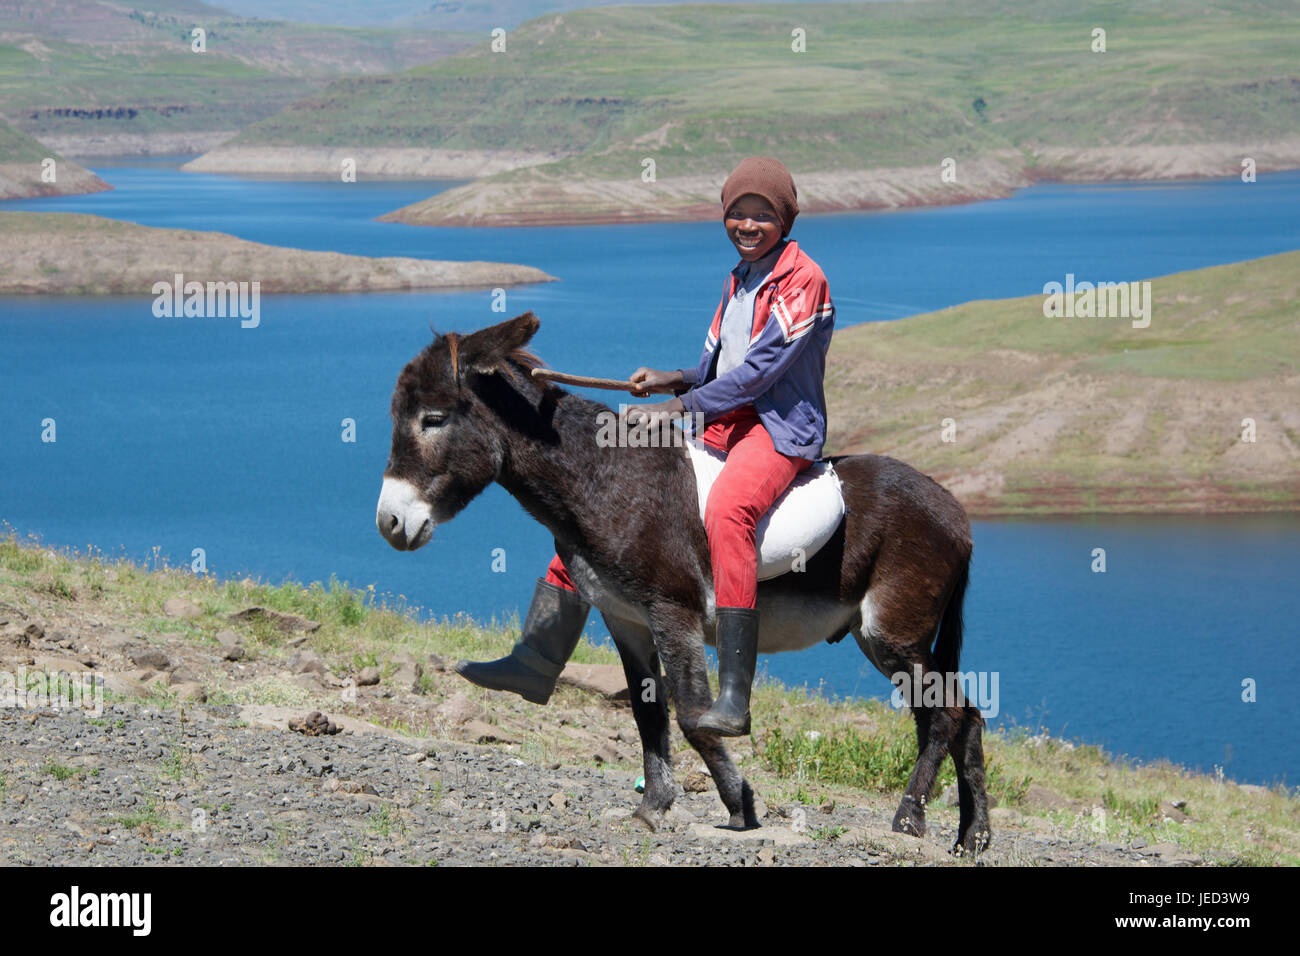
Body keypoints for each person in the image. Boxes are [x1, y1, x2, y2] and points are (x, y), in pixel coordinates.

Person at [456, 156, 835, 736]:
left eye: (762, 215)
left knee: (731, 512)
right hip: (725, 422)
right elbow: (720, 366)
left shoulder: (803, 280)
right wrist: (673, 378)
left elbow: (759, 374)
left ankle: (733, 695)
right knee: (603, 518)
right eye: (738, 213)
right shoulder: (741, 276)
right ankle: (536, 658)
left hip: (777, 431)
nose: (748, 225)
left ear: (784, 218)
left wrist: (681, 407)